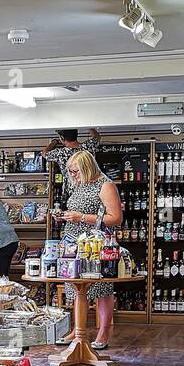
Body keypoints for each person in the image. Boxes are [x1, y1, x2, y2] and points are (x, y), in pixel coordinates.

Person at [54, 149, 123, 351]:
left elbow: (116, 218)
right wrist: (65, 216)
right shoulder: (80, 184)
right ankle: (78, 328)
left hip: (96, 243)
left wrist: (81, 218)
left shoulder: (105, 185)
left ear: (87, 168)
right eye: (70, 172)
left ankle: (104, 330)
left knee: (102, 288)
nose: (72, 175)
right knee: (76, 287)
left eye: (75, 171)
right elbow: (78, 211)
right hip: (73, 242)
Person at [45, 128, 101, 209]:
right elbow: (97, 137)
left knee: (72, 217)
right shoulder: (88, 146)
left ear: (62, 138)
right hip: (91, 189)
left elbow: (44, 153)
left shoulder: (61, 153)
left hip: (70, 191)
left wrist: (54, 142)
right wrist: (89, 127)